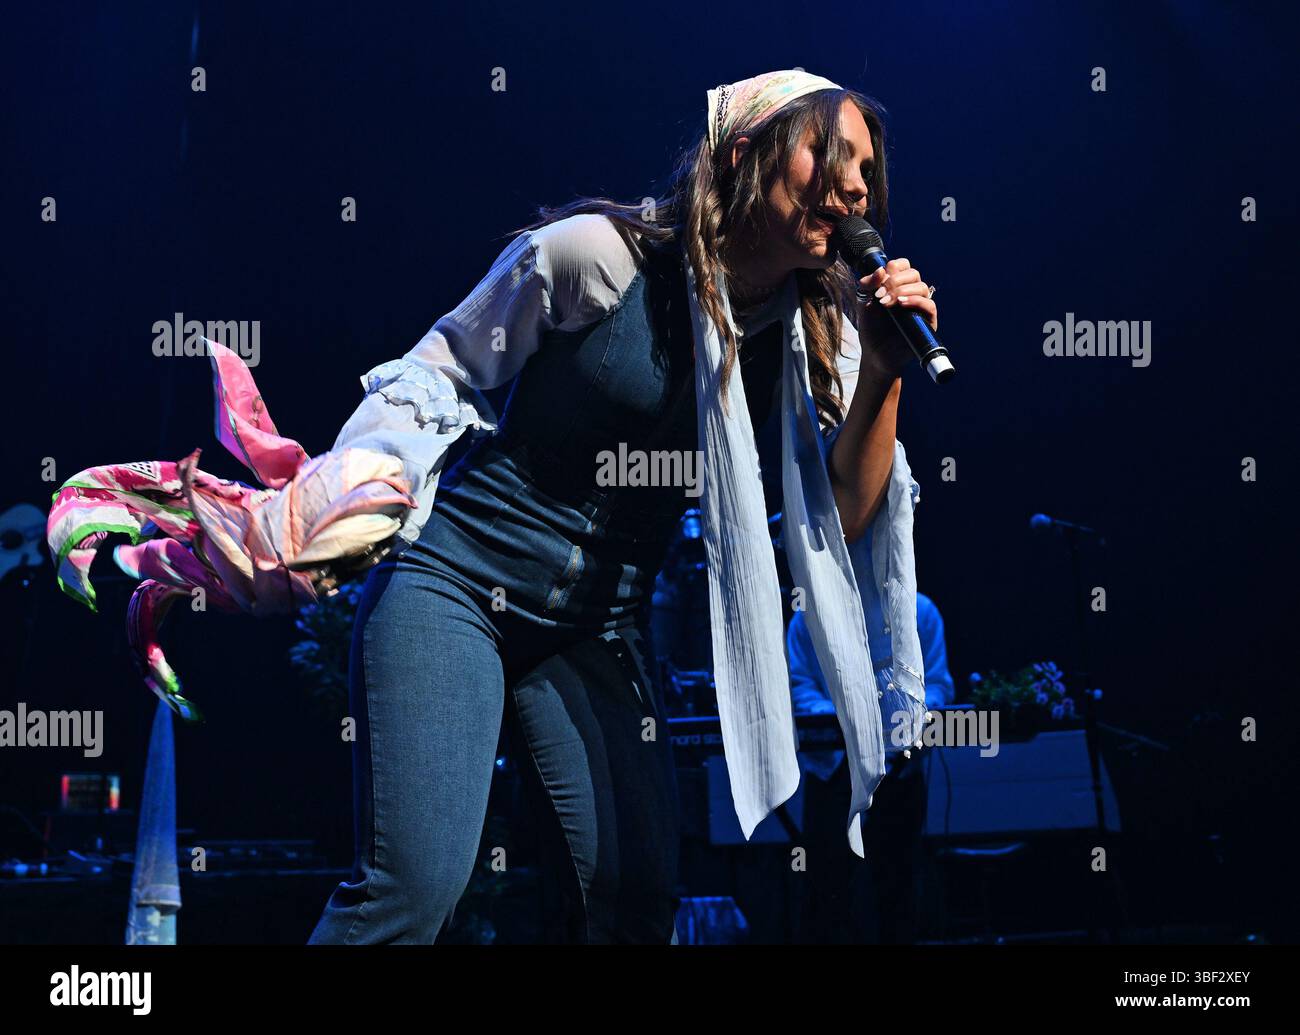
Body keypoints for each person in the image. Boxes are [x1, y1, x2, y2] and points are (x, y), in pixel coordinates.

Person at [47, 69, 938, 944]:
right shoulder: (599, 256)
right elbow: (444, 367)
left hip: (598, 626)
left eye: (867, 167)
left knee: (633, 901)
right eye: (830, 150)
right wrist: (346, 490)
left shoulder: (815, 338)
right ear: (745, 151)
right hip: (456, 584)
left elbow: (844, 515)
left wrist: (887, 373)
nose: (857, 184)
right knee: (415, 890)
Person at [785, 593, 954, 942]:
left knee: (898, 888)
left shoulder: (919, 610)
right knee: (829, 890)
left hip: (899, 772)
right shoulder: (809, 613)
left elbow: (937, 683)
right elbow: (799, 685)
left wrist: (906, 717)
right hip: (834, 771)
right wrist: (850, 724)